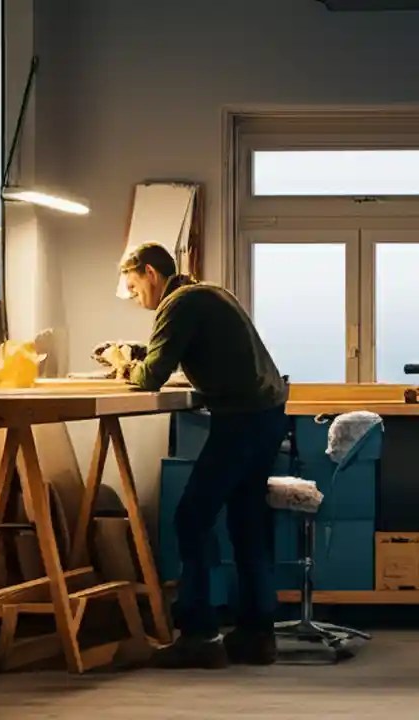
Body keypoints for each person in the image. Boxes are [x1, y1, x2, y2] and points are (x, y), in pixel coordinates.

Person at [112, 243, 289, 669]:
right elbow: (173, 353)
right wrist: (141, 354)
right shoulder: (206, 293)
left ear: (151, 273)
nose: (137, 299)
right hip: (267, 413)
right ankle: (256, 635)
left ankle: (200, 635)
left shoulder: (179, 303)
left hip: (242, 418)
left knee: (191, 518)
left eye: (135, 289)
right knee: (246, 521)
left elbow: (151, 377)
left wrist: (122, 364)